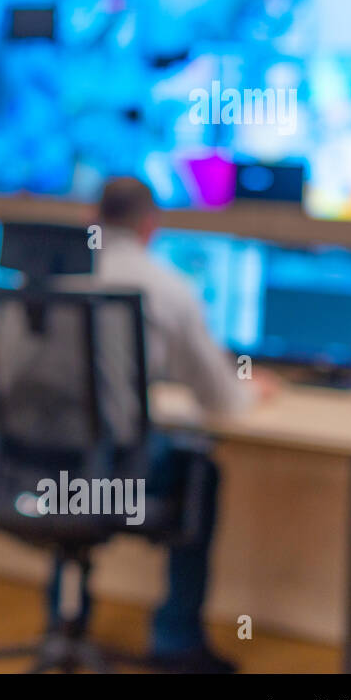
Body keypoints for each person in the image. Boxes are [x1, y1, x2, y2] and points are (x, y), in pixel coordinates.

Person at [71, 176, 280, 673]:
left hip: (36, 475)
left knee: (74, 462)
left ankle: (66, 620)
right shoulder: (168, 287)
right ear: (150, 227)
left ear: (90, 220)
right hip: (118, 478)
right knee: (200, 471)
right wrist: (253, 387)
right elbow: (222, 400)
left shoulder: (51, 275)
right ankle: (176, 640)